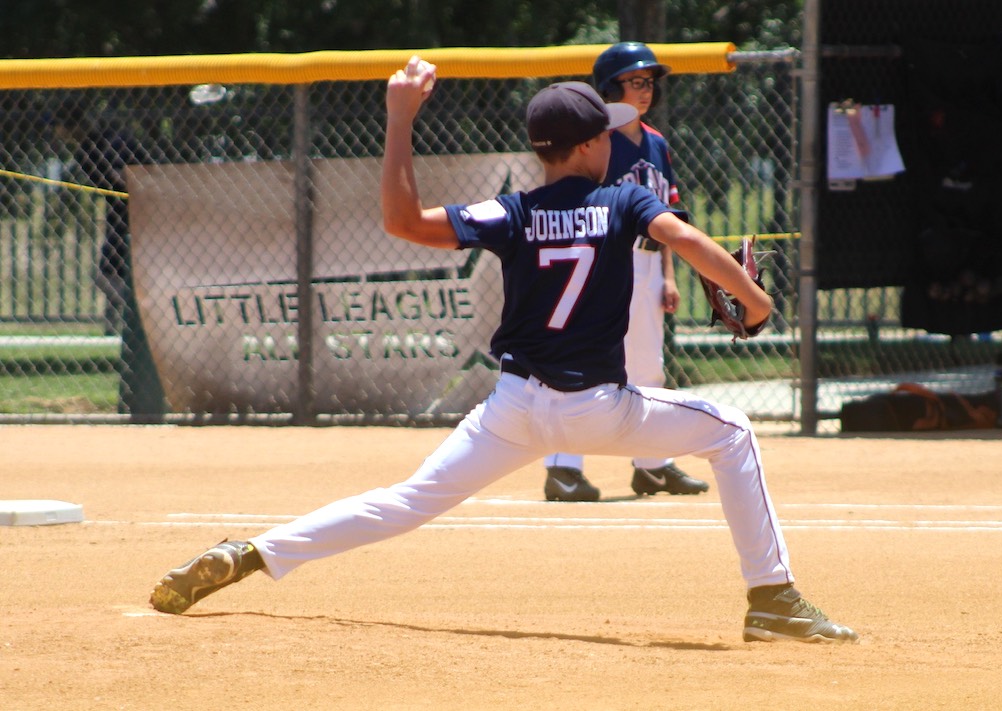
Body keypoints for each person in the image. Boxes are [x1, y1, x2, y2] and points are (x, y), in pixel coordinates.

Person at [149, 57, 858, 644]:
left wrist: (400, 119)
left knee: (404, 500)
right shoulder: (622, 202)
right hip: (599, 410)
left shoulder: (510, 212)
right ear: (584, 147)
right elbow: (690, 241)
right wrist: (759, 304)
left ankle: (251, 552)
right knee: (731, 433)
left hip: (513, 409)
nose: (615, 139)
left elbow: (400, 220)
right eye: (605, 132)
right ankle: (772, 597)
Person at [543, 41, 709, 502]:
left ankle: (652, 465)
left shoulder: (656, 142)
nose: (645, 89)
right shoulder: (596, 141)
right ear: (609, 88)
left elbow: (669, 214)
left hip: (647, 261)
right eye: (635, 81)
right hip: (600, 260)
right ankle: (562, 467)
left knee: (646, 367)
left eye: (649, 82)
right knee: (584, 362)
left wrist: (669, 275)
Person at [52, 100, 165, 420]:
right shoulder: (90, 147)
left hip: (132, 214)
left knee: (109, 275)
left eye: (59, 127)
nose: (57, 134)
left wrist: (122, 180)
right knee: (110, 274)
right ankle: (125, 321)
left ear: (70, 126)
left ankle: (135, 319)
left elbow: (126, 175)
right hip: (118, 214)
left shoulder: (108, 142)